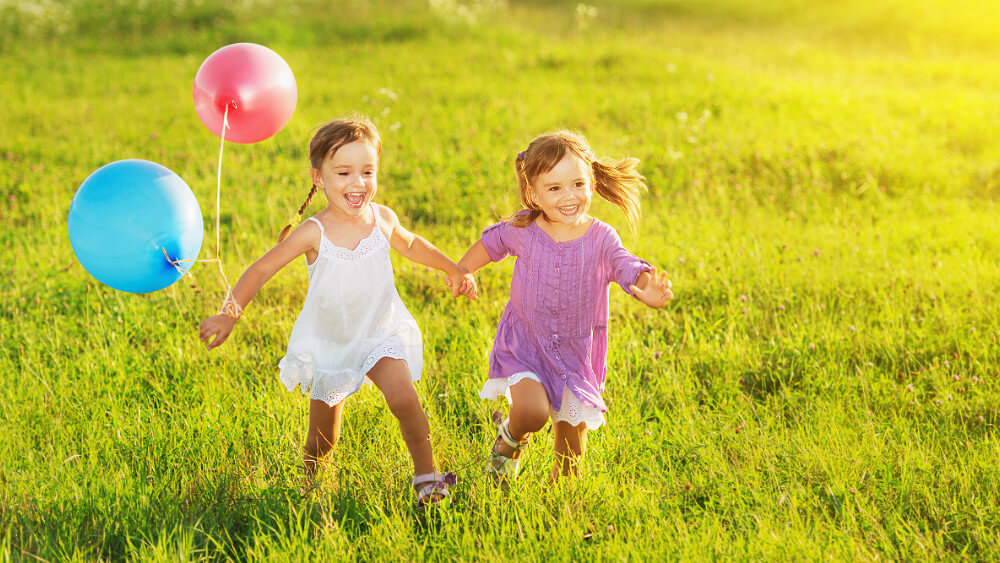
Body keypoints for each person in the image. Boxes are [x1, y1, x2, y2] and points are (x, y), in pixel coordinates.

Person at [199, 115, 476, 506]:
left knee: (405, 400)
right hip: (330, 343)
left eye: (367, 171)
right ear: (319, 178)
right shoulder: (314, 232)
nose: (357, 182)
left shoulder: (382, 218)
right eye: (344, 172)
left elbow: (412, 244)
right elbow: (260, 270)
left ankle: (427, 478)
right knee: (323, 439)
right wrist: (229, 313)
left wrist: (454, 268)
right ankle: (311, 490)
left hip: (379, 333)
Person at [452, 130, 673, 483]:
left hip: (575, 353)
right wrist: (462, 271)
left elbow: (625, 264)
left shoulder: (601, 237)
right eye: (554, 188)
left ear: (591, 182)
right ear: (533, 193)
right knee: (532, 413)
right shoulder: (524, 228)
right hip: (525, 344)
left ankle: (561, 503)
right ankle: (509, 442)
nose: (569, 196)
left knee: (571, 456)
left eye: (578, 184)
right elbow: (491, 243)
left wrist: (646, 287)